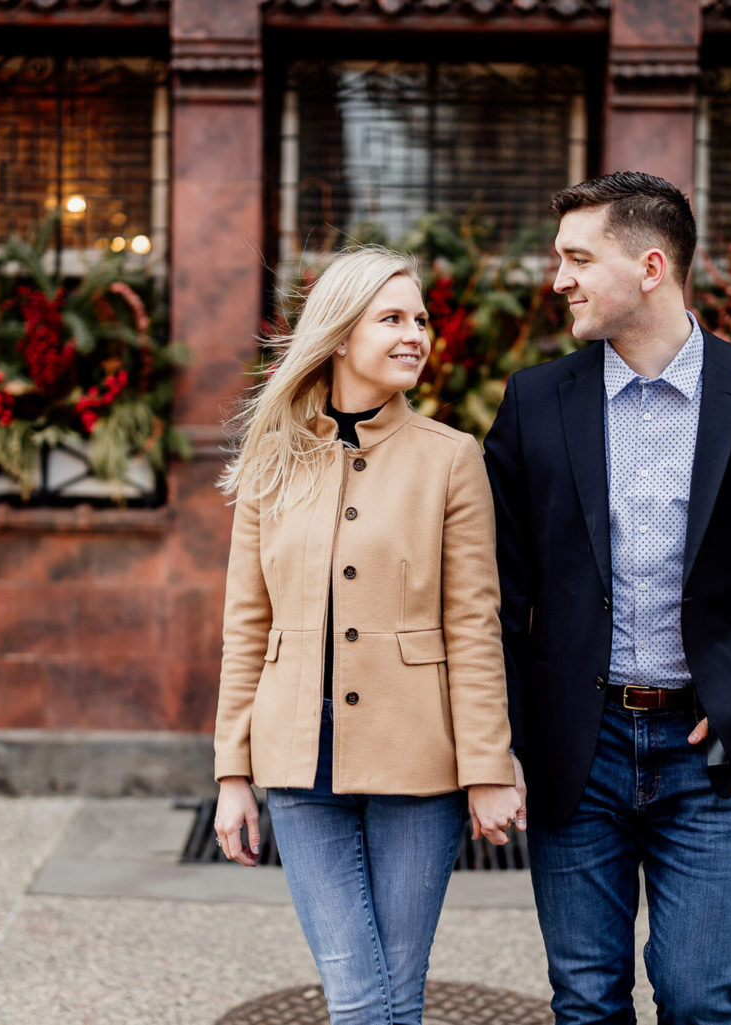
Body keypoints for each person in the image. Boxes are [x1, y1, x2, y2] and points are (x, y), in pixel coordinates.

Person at [483, 171, 731, 1024]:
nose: (558, 279)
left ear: (651, 266)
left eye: (578, 257)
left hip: (707, 752)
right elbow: (498, 592)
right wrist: (502, 738)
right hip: (579, 744)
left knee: (701, 997)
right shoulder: (536, 403)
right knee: (585, 999)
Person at [212, 246, 525, 1025]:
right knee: (358, 995)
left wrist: (487, 765)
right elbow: (247, 625)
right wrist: (230, 771)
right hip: (294, 758)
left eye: (420, 318)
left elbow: (474, 626)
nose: (415, 332)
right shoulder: (272, 460)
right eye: (392, 317)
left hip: (420, 760)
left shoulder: (452, 460)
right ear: (341, 334)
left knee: (397, 994)